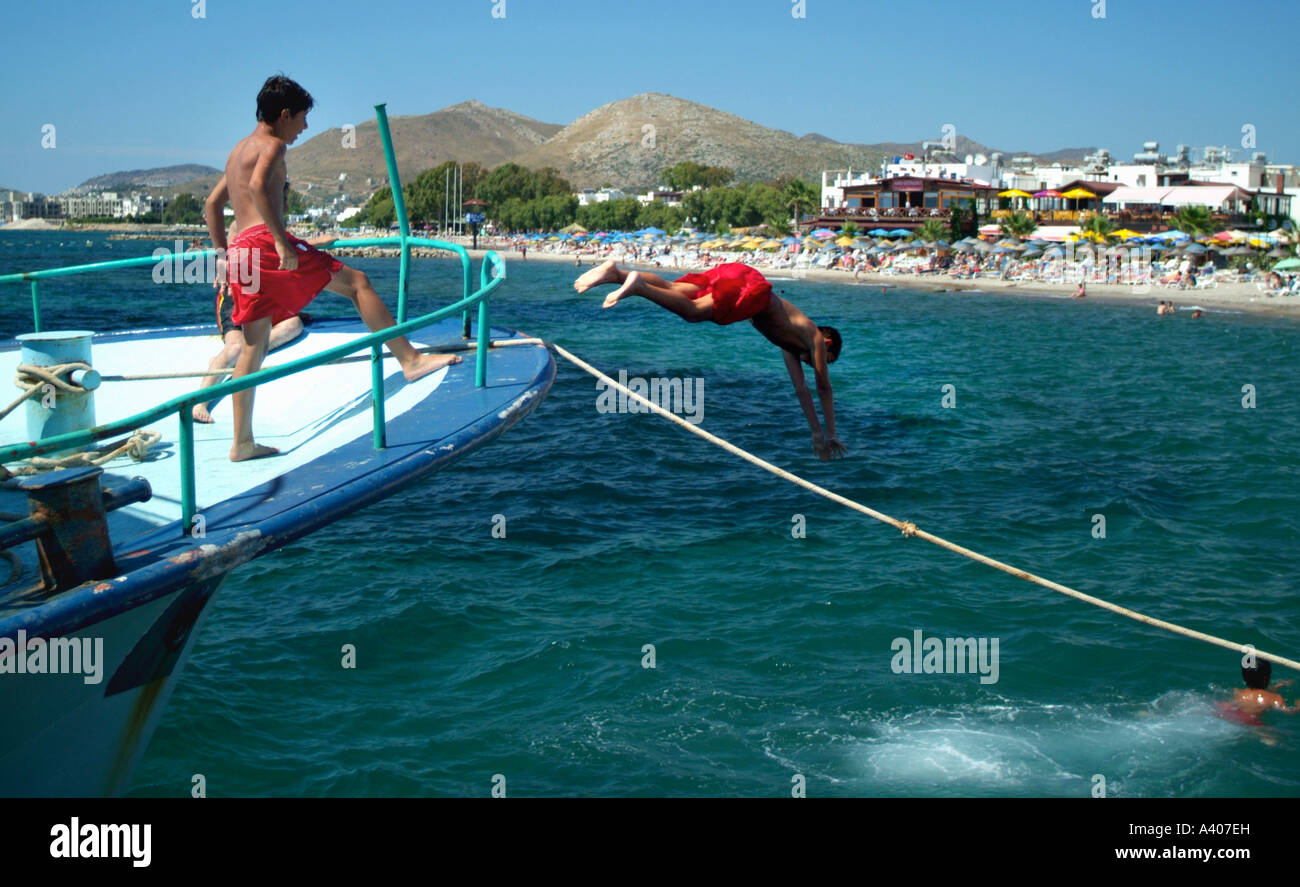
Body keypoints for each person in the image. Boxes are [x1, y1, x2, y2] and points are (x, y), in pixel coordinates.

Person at [204, 75, 456, 461]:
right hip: (265, 247)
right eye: (302, 118)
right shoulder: (272, 146)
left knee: (252, 348)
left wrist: (224, 253)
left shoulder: (238, 150)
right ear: (285, 114)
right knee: (358, 283)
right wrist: (282, 242)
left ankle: (242, 443)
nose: (304, 128)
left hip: (241, 253)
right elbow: (257, 188)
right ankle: (411, 360)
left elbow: (211, 205)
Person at [575, 260, 845, 461]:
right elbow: (823, 388)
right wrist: (830, 433)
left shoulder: (790, 346)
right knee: (692, 312)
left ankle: (615, 273)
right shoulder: (815, 338)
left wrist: (816, 435)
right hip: (752, 291)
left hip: (742, 275)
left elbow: (802, 391)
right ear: (828, 342)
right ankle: (639, 288)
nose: (817, 366)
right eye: (826, 361)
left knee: (674, 290)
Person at [1217, 657, 1297, 726]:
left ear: (1244, 677)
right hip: (1251, 721)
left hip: (1231, 714)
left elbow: (1261, 692)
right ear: (1267, 678)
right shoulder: (1275, 698)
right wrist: (1298, 706)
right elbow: (1289, 712)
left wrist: (1280, 685)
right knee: (1273, 739)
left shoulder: (1238, 692)